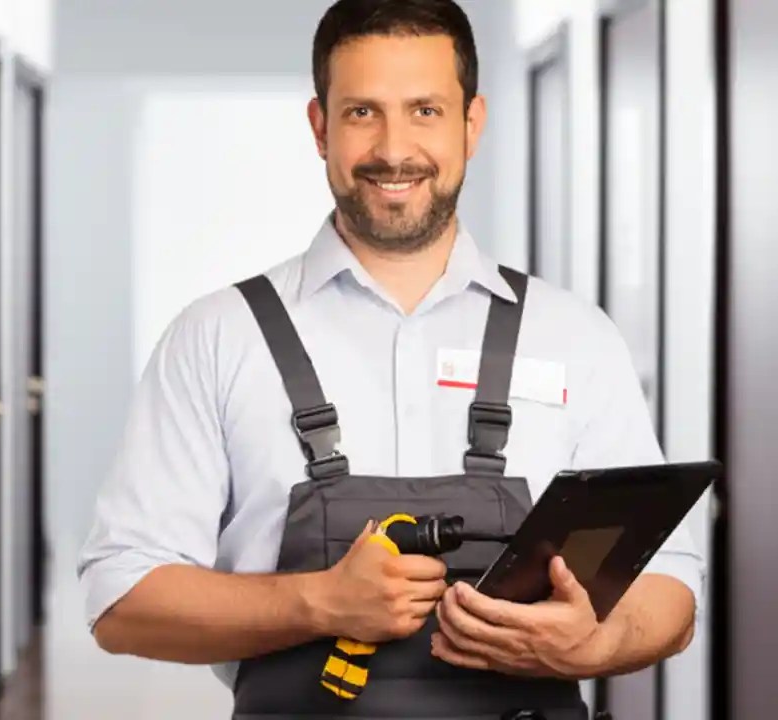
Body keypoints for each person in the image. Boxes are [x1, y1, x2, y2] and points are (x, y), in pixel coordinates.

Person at [77, 0, 704, 717]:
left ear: (473, 123)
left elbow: (671, 588)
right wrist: (318, 603)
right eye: (362, 113)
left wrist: (591, 647)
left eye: (425, 111)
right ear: (320, 127)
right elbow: (119, 598)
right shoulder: (218, 338)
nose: (394, 148)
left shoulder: (574, 338)